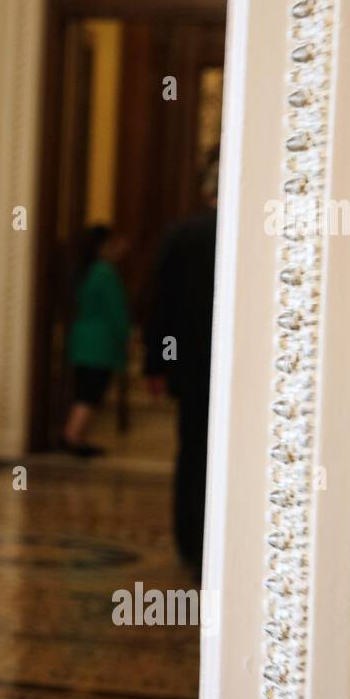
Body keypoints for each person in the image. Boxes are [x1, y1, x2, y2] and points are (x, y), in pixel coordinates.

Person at [145, 148, 219, 583]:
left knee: (192, 451)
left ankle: (191, 543)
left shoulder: (179, 235)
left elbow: (160, 306)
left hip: (189, 365)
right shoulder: (248, 234)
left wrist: (157, 364)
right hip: (236, 371)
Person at [63, 224, 130, 457]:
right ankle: (73, 436)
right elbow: (117, 312)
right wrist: (125, 339)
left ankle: (76, 435)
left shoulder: (85, 270)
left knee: (84, 389)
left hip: (82, 339)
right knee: (90, 393)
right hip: (100, 343)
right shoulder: (105, 272)